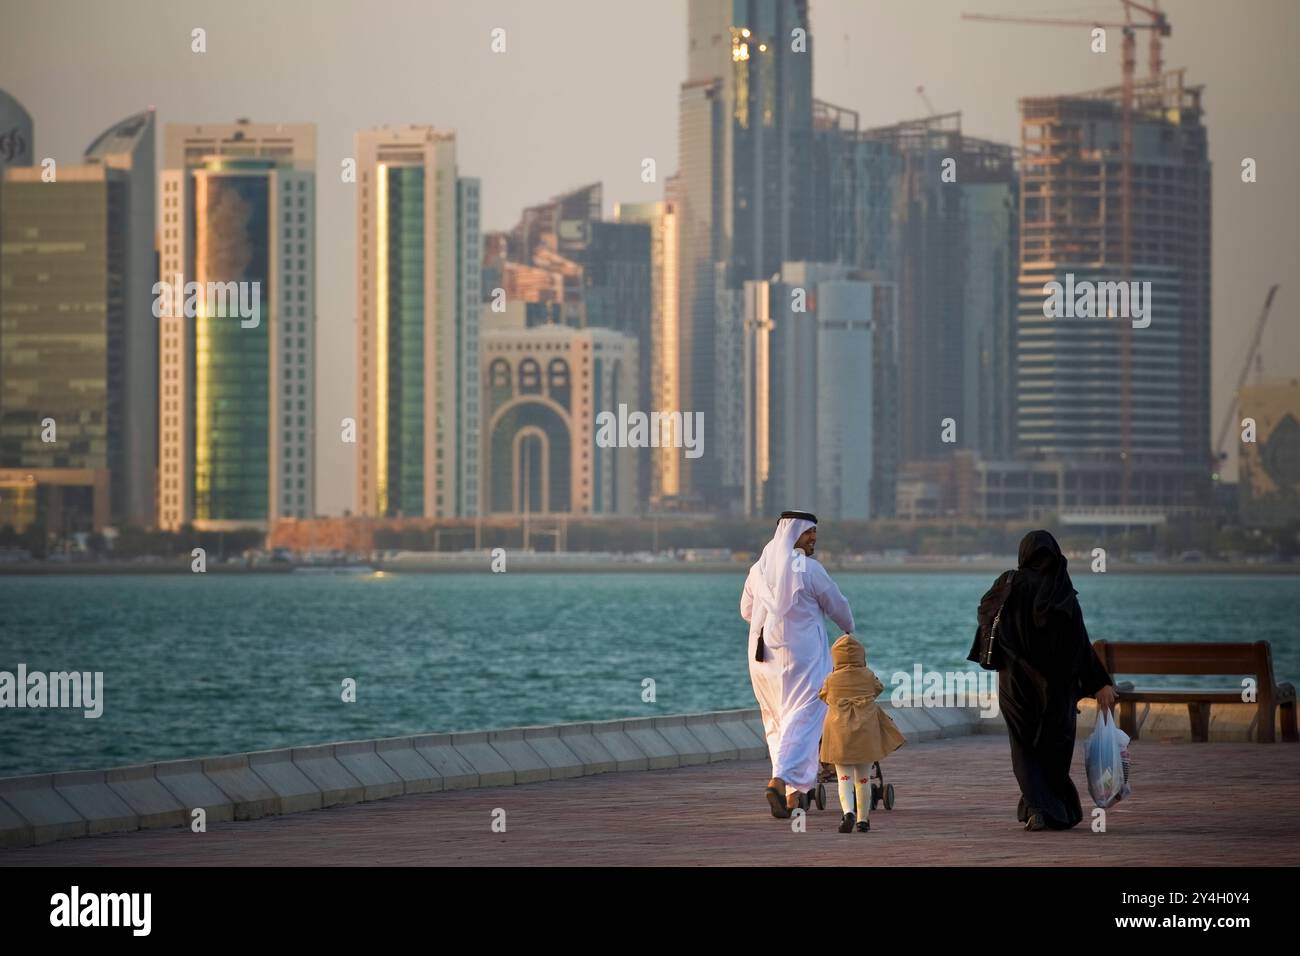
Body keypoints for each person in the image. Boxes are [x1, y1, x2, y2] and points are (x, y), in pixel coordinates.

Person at [969, 529, 1117, 831]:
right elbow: (1079, 641)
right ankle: (1047, 807)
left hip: (1015, 684)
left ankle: (1037, 807)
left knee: (1024, 747)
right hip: (1058, 688)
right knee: (1055, 749)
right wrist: (1100, 681)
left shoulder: (1008, 584)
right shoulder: (1061, 590)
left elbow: (985, 614)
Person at [741, 510, 856, 819]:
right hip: (802, 659)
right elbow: (838, 605)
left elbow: (746, 611)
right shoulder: (808, 569)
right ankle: (779, 782)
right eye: (808, 533)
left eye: (814, 533)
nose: (813, 538)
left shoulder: (759, 570)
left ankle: (793, 796)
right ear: (793, 534)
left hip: (762, 659)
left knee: (777, 722)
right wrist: (849, 627)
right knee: (804, 719)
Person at [818, 634, 905, 833]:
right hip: (865, 734)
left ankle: (847, 811)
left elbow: (823, 696)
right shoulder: (867, 675)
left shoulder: (832, 679)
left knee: (844, 778)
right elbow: (878, 689)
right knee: (863, 778)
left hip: (839, 735)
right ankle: (863, 820)